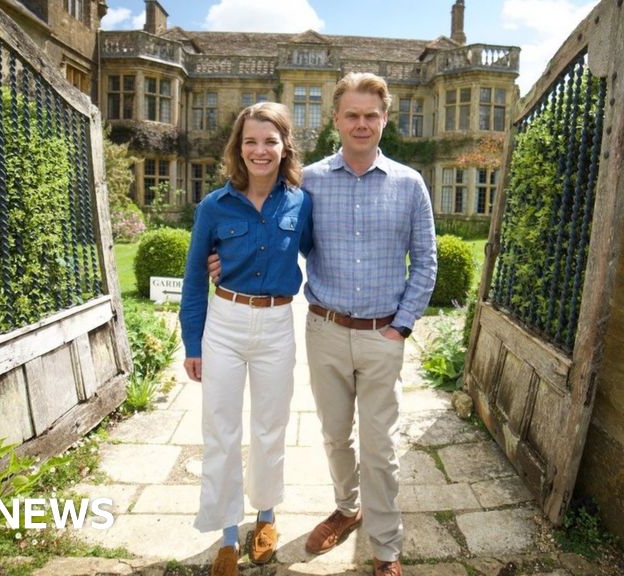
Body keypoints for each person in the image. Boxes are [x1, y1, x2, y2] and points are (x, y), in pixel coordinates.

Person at [210, 72, 437, 576]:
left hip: (384, 334)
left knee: (381, 448)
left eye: (370, 115)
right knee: (336, 437)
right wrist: (229, 259)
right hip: (325, 330)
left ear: (384, 118)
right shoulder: (307, 182)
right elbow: (279, 240)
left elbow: (426, 262)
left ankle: (386, 548)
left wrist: (401, 326)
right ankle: (347, 508)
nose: (361, 123)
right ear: (336, 118)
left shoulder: (409, 183)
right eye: (351, 114)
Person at [179, 101, 312, 576]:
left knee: (270, 427)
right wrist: (192, 344)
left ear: (284, 147)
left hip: (277, 325)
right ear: (238, 147)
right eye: (250, 141)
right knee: (221, 430)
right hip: (226, 325)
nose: (260, 150)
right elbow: (196, 278)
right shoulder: (214, 206)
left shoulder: (301, 202)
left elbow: (321, 256)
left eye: (270, 141)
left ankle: (267, 516)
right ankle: (227, 533)